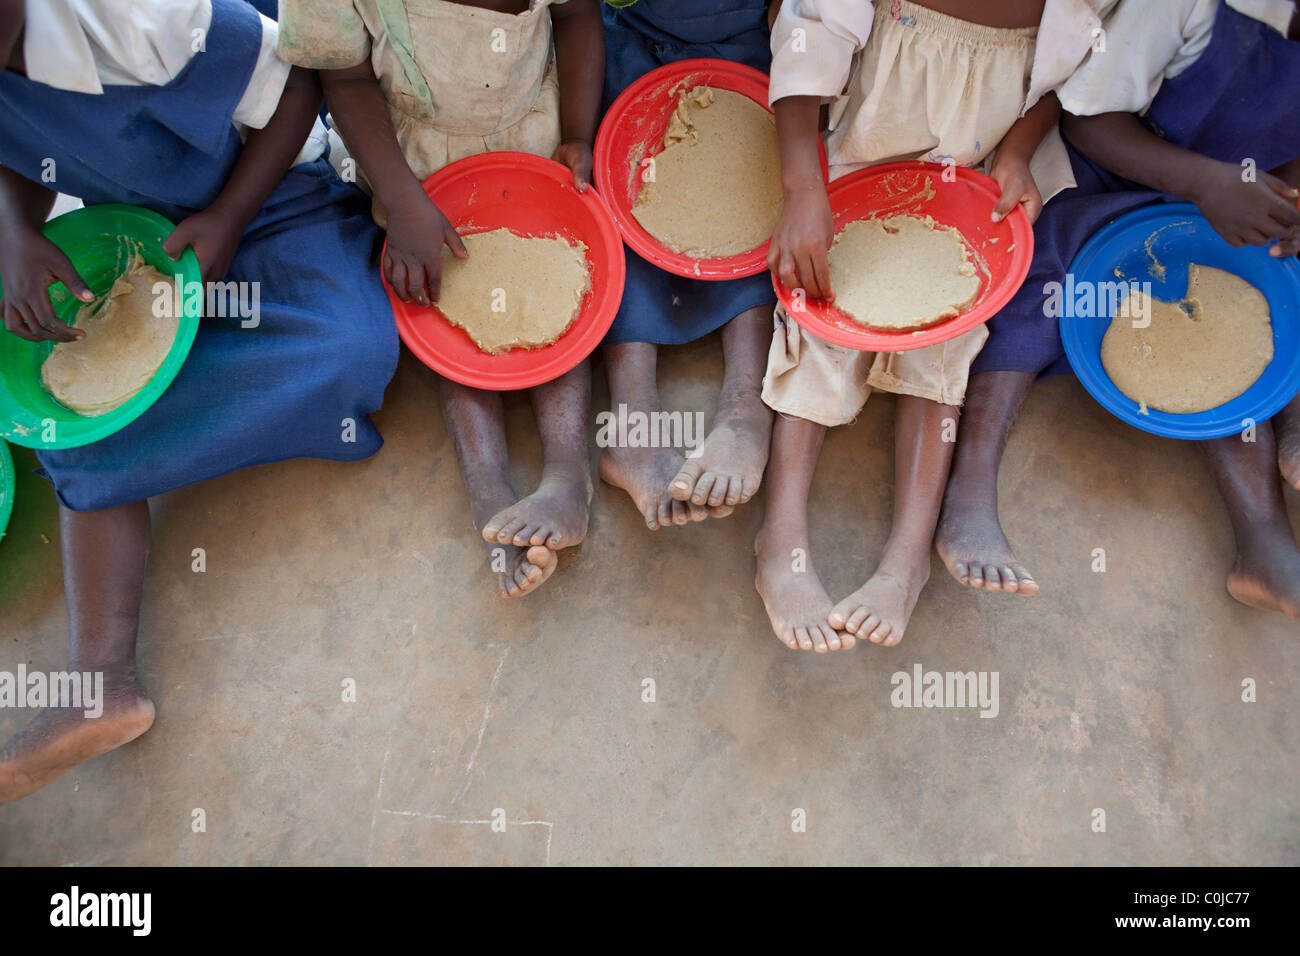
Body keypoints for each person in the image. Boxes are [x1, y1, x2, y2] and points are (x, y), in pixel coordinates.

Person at [0, 0, 399, 803]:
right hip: (131, 237)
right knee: (56, 407)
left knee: (353, 351)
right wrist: (13, 232)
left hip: (273, 200)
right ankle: (102, 679)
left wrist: (225, 220)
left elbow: (296, 88)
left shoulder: (143, 19)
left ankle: (125, 433)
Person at [757, 0, 1107, 652]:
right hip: (868, 142)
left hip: (976, 167)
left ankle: (906, 558)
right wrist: (804, 189)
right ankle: (781, 541)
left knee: (947, 338)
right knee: (824, 318)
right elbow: (811, 28)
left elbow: (1069, 59)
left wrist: (1018, 152)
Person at [940, 0, 1300, 619]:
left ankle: (1264, 538)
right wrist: (1206, 185)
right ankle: (969, 490)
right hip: (1114, 176)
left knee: (1260, 308)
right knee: (1040, 278)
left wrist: (1289, 199)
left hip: (1245, 203)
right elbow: (1088, 122)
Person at [278, 0, 604, 598]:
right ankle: (488, 488)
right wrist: (404, 204)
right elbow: (343, 76)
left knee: (556, 297)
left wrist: (579, 134)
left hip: (532, 130)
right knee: (449, 308)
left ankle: (567, 474)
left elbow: (579, 14)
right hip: (415, 162)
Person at [597, 0, 782, 531]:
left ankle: (746, 407)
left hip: (750, 50)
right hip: (628, 48)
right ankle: (635, 432)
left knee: (756, 216)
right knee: (618, 221)